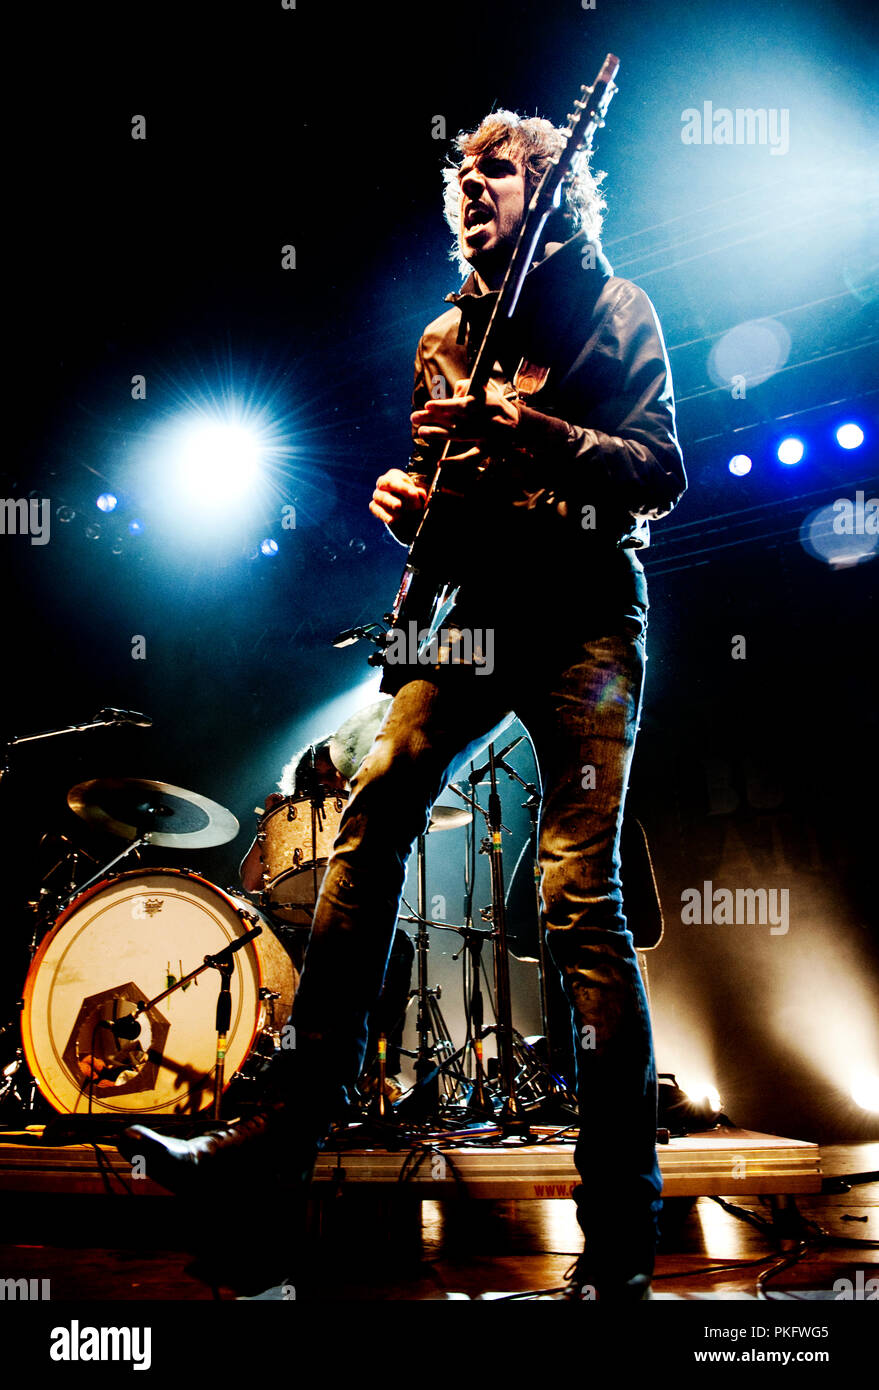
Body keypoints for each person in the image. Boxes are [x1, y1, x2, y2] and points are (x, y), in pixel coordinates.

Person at [121, 108, 686, 1301]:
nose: (471, 186)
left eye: (498, 170)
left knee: (580, 900)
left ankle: (622, 1243)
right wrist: (407, 499)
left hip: (584, 617)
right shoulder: (442, 336)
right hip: (471, 611)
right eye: (462, 172)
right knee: (369, 818)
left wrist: (526, 428)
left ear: (553, 188)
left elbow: (660, 473)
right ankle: (261, 1159)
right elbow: (449, 493)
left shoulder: (614, 307)